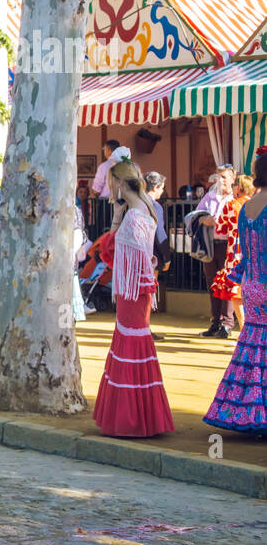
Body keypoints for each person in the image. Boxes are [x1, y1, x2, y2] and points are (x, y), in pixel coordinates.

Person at [94, 159, 173, 438]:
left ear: (117, 182)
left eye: (109, 182)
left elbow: (113, 250)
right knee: (136, 343)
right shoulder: (145, 208)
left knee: (130, 344)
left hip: (132, 288)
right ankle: (142, 417)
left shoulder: (135, 214)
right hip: (138, 286)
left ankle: (130, 420)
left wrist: (117, 219)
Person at [204, 147, 267, 434]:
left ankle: (245, 410)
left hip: (252, 286)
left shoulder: (247, 207)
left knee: (253, 347)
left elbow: (243, 250)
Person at [211, 174, 256, 333]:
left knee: (237, 293)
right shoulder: (257, 205)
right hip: (255, 254)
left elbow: (220, 229)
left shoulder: (231, 205)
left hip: (234, 254)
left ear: (238, 187)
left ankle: (244, 329)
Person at [196, 166, 237, 338]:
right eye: (219, 177)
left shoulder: (235, 197)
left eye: (224, 177)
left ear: (233, 178)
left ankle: (227, 323)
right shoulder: (210, 196)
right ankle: (216, 321)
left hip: (228, 244)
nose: (221, 181)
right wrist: (204, 219)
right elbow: (196, 215)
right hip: (211, 243)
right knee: (212, 282)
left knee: (227, 282)